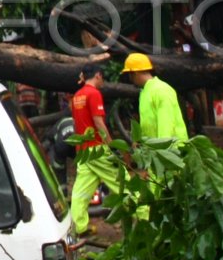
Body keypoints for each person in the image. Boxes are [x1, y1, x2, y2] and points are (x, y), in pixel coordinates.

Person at [69, 61, 123, 236]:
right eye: (102, 77)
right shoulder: (94, 94)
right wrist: (111, 144)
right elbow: (99, 122)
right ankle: (145, 213)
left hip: (84, 150)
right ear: (98, 75)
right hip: (97, 149)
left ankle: (79, 226)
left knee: (80, 191)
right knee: (120, 182)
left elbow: (78, 125)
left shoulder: (77, 95)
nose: (103, 81)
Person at [120, 53, 188, 144]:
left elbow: (166, 123)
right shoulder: (145, 92)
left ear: (134, 73)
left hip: (172, 150)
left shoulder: (161, 90)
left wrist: (163, 149)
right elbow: (148, 122)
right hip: (155, 149)